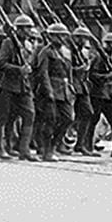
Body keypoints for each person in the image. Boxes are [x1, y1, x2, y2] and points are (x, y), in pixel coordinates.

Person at [0, 15, 38, 161]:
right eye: (26, 28)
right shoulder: (8, 42)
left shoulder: (28, 45)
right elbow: (1, 63)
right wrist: (19, 70)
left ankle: (24, 150)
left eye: (30, 28)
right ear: (18, 29)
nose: (29, 31)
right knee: (4, 117)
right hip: (8, 85)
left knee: (29, 114)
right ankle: (0, 148)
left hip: (24, 86)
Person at [35, 23, 75, 162]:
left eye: (64, 35)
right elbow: (43, 73)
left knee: (68, 118)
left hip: (63, 90)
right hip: (51, 89)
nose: (63, 38)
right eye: (60, 35)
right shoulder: (46, 52)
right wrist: (48, 91)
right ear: (53, 36)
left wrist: (70, 86)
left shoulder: (66, 52)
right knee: (50, 120)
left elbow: (69, 71)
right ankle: (46, 150)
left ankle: (54, 145)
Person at [89, 32, 112, 159]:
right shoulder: (99, 57)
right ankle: (88, 145)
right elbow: (92, 75)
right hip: (98, 93)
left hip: (110, 94)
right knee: (93, 120)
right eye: (111, 43)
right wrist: (106, 77)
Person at [70, 25, 97, 156]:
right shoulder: (67, 50)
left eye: (86, 38)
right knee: (66, 116)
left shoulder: (85, 52)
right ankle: (58, 143)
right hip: (70, 85)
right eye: (82, 37)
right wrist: (79, 69)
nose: (84, 40)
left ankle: (80, 144)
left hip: (82, 86)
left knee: (88, 113)